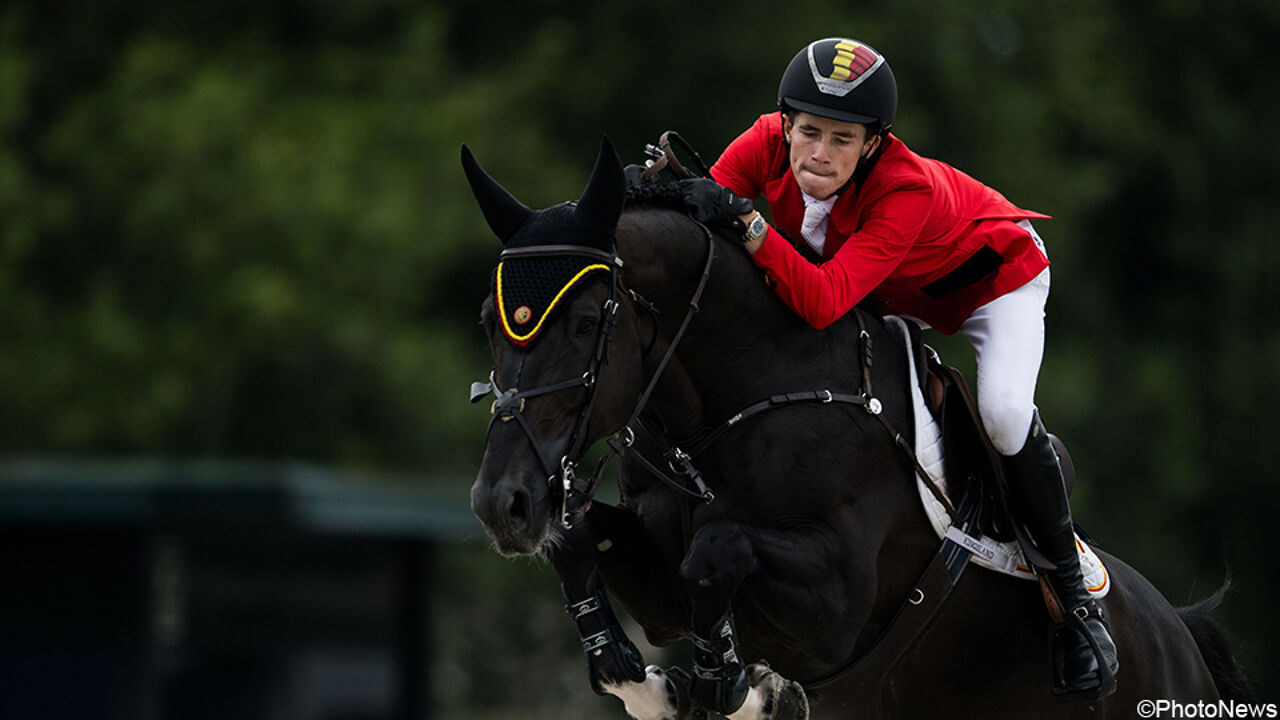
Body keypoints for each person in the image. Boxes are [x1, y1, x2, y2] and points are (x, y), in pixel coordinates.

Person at [680, 37, 1118, 699]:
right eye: (808, 133)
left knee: (1002, 415)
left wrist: (751, 229)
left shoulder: (904, 186)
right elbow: (709, 212)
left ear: (874, 144)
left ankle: (1074, 594)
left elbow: (823, 299)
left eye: (842, 140)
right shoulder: (764, 140)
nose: (818, 155)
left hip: (993, 284)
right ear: (785, 124)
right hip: (889, 294)